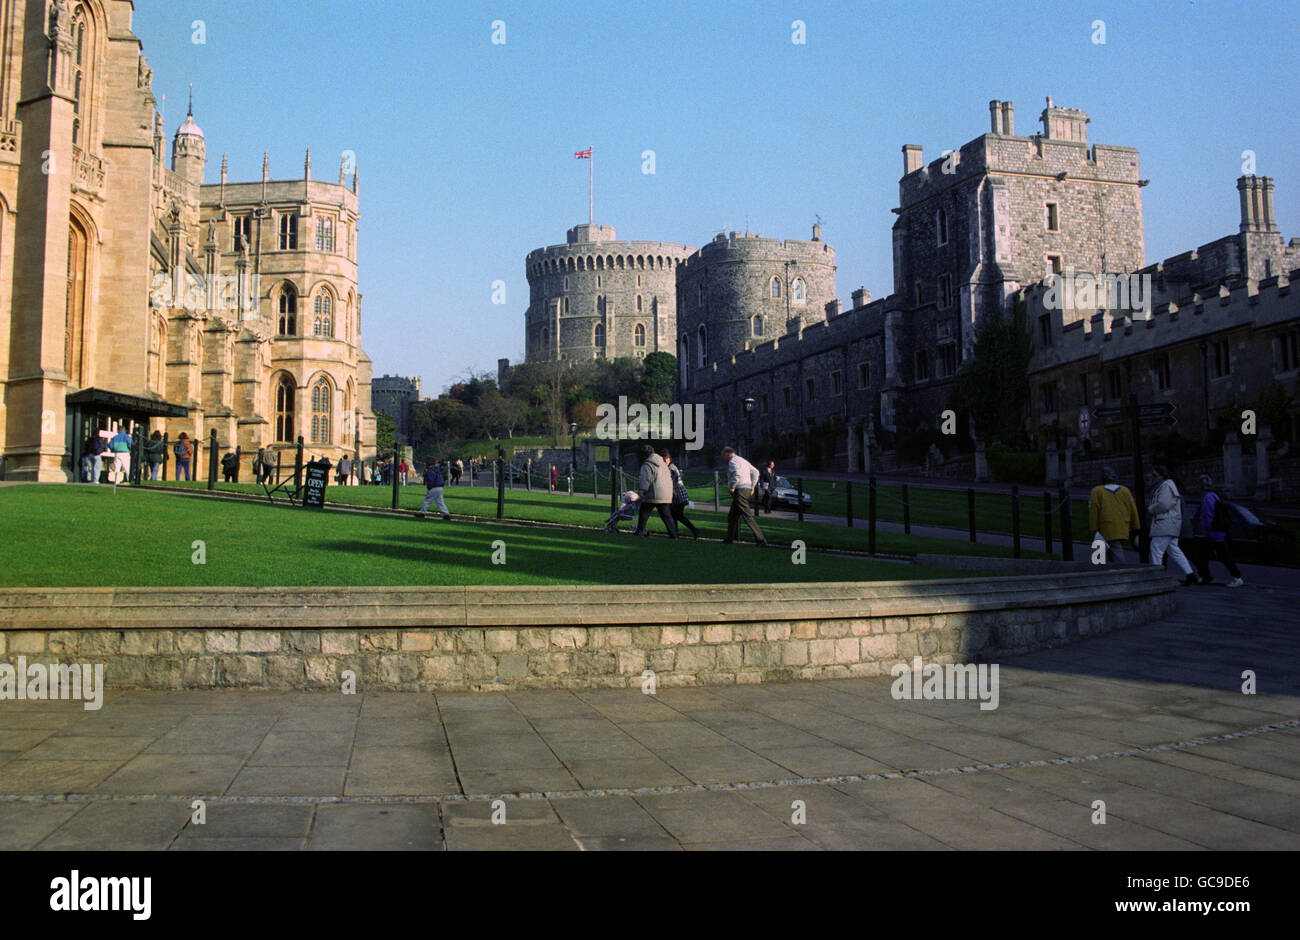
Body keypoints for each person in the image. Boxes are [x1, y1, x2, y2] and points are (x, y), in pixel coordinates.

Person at [1146, 464, 1197, 586]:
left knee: (1156, 549)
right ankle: (1190, 574)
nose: (1153, 478)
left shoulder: (1166, 486)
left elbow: (1164, 504)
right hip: (1170, 523)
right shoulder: (1168, 485)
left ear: (1161, 476)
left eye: (1155, 475)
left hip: (1164, 523)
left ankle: (1157, 577)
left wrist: (1150, 509)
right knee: (1174, 550)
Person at [1193, 475, 1246, 587]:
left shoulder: (1207, 498)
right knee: (1215, 556)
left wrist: (1206, 532)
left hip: (1213, 534)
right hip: (1218, 533)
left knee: (1210, 556)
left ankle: (1235, 577)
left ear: (1200, 487)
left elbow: (1208, 517)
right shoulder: (1215, 496)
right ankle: (1207, 576)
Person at [1088, 465, 1140, 563]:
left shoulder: (1097, 491)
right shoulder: (1125, 490)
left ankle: (1113, 570)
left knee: (1105, 549)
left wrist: (1093, 528)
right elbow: (1132, 509)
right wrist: (1135, 526)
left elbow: (1094, 511)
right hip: (1122, 524)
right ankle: (1108, 567)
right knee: (1113, 547)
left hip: (1105, 526)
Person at [721, 446, 768, 546]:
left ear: (727, 454)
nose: (723, 459)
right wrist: (752, 486)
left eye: (723, 456)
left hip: (740, 490)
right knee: (732, 516)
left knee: (747, 515)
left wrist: (732, 486)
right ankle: (729, 539)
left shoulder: (732, 462)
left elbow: (737, 474)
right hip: (746, 489)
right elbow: (756, 472)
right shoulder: (743, 460)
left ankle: (761, 539)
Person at [632, 444, 678, 538]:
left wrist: (642, 491)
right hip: (666, 493)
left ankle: (640, 531)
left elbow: (645, 479)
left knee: (644, 511)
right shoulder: (662, 463)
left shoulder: (647, 464)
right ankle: (674, 535)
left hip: (655, 492)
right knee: (666, 515)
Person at [660, 448, 700, 539]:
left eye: (666, 459)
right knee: (676, 515)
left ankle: (691, 530)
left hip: (678, 495)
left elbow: (672, 482)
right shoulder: (671, 467)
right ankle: (676, 533)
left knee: (677, 515)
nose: (664, 461)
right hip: (678, 495)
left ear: (669, 458)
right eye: (663, 459)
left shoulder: (671, 468)